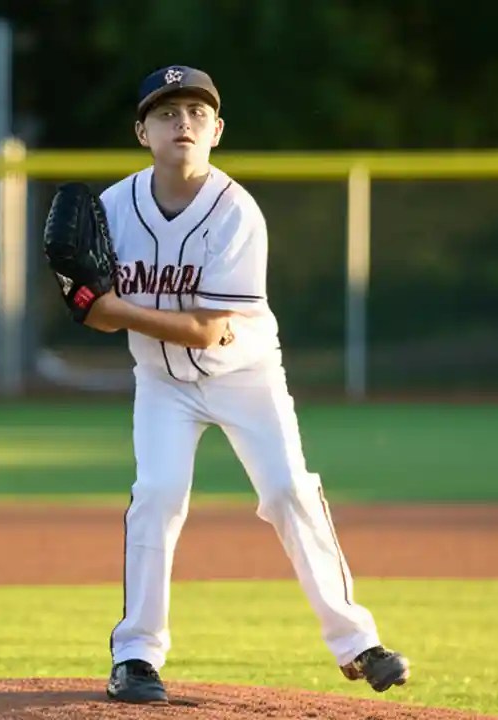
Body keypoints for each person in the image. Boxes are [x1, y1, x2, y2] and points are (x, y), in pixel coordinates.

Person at [83, 66, 410, 705]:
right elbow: (86, 305)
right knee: (157, 494)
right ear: (142, 131)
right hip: (160, 382)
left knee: (289, 490)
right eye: (168, 112)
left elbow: (206, 330)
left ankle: (357, 643)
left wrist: (112, 308)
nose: (184, 123)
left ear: (217, 130)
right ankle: (136, 656)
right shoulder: (112, 208)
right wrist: (83, 296)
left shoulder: (236, 211)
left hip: (244, 376)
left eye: (197, 113)